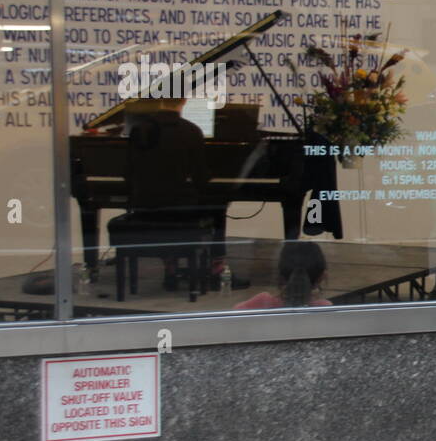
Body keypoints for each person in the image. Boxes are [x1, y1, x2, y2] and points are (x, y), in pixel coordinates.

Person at [124, 96, 248, 290]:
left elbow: (128, 174)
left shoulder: (138, 129)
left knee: (167, 209)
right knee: (218, 208)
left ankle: (170, 269)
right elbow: (201, 179)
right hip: (180, 208)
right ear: (183, 102)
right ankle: (217, 269)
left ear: (159, 101)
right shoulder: (191, 131)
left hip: (144, 206)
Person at [234, 240, 332, 309]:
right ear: (322, 277)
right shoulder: (323, 308)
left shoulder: (263, 302)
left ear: (280, 275)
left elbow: (234, 316)